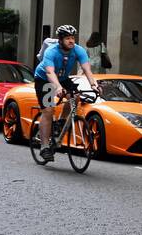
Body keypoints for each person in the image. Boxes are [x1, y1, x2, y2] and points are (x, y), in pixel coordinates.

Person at [33, 25, 100, 164]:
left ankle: (61, 122)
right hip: (44, 79)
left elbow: (87, 69)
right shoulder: (51, 52)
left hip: (63, 78)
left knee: (75, 97)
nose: (71, 41)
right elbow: (50, 72)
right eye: (68, 38)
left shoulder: (78, 50)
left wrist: (94, 85)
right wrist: (57, 88)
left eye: (73, 38)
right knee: (48, 111)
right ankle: (44, 147)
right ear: (61, 40)